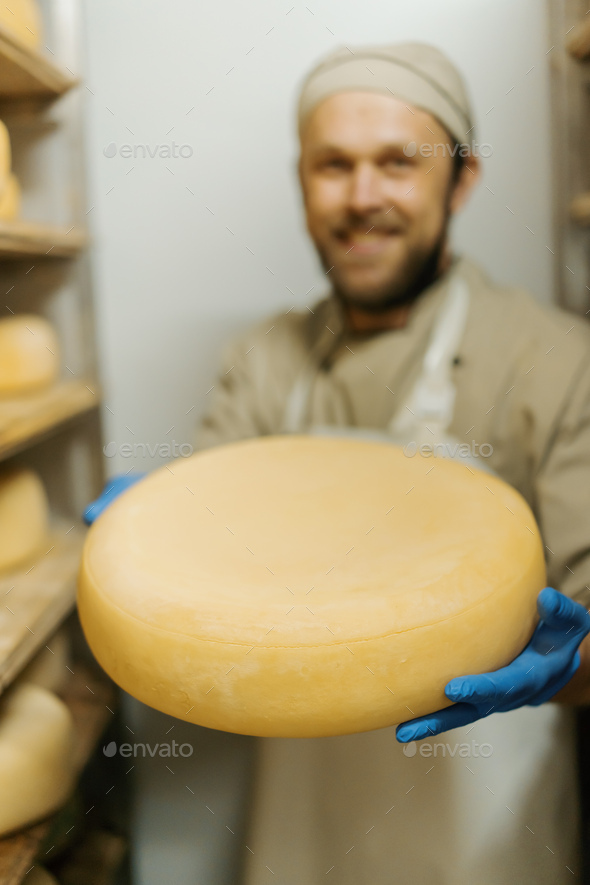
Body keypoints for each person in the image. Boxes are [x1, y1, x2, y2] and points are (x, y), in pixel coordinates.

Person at [88, 42, 590, 885]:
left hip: (494, 848)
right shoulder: (262, 362)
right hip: (299, 845)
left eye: (398, 162)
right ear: (302, 182)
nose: (362, 198)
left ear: (461, 179)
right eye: (333, 165)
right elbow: (199, 597)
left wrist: (567, 668)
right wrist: (149, 540)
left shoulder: (555, 361)